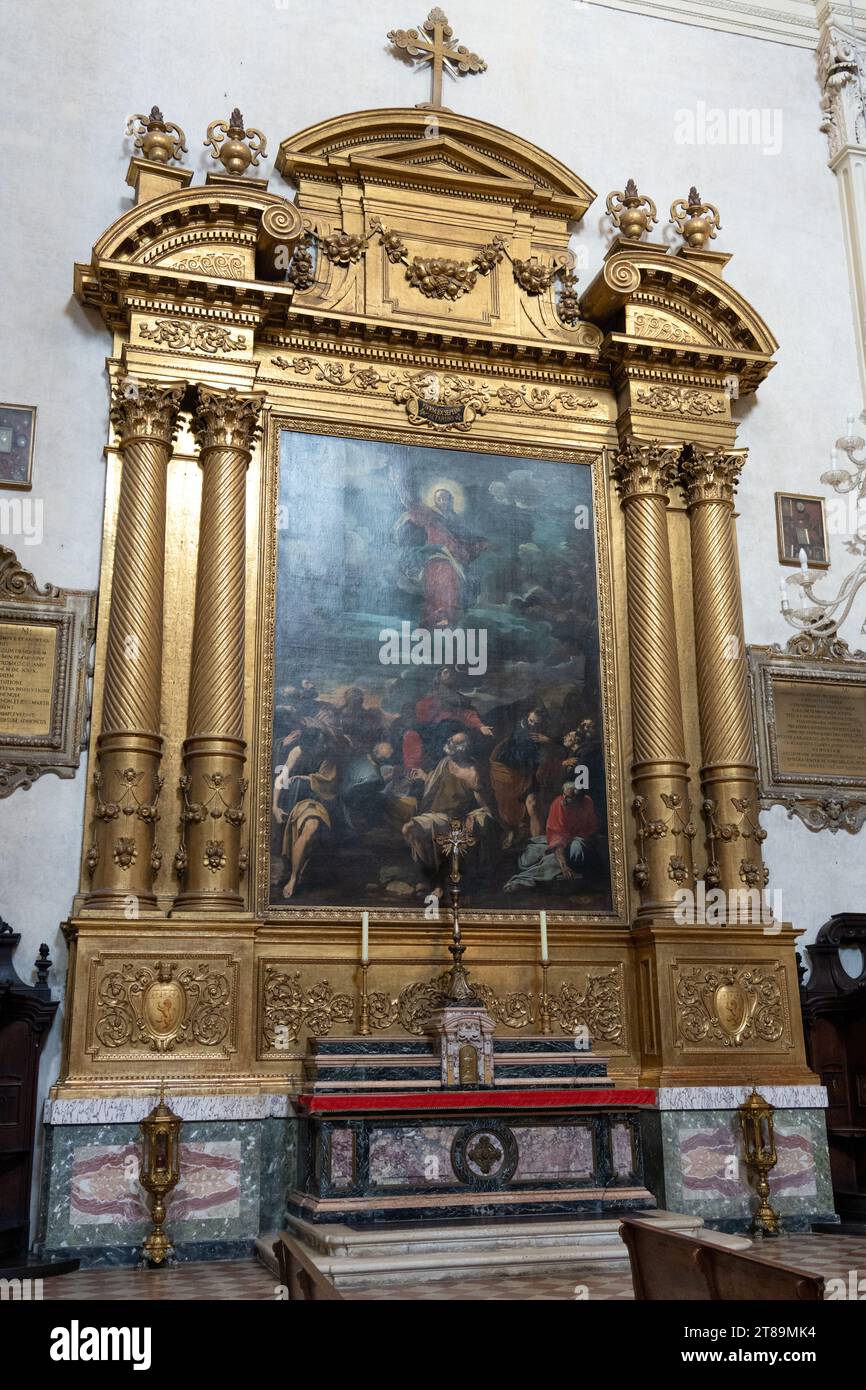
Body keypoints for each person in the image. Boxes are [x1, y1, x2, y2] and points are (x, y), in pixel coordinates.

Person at [401, 731, 495, 888]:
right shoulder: (445, 762)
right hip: (435, 814)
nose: (448, 741)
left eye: (453, 741)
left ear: (462, 748)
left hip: (452, 817)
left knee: (410, 828)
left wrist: (484, 814)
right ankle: (430, 873)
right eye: (450, 739)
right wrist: (425, 777)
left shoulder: (471, 771)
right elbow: (435, 784)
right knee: (409, 830)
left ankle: (436, 878)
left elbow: (481, 801)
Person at [503, 781, 599, 893]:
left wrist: (563, 865)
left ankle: (524, 880)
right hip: (560, 840)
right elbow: (556, 837)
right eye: (564, 795)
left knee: (567, 854)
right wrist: (563, 865)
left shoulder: (587, 802)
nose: (564, 800)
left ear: (579, 799)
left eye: (569, 798)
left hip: (578, 843)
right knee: (529, 857)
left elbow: (590, 829)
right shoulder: (558, 803)